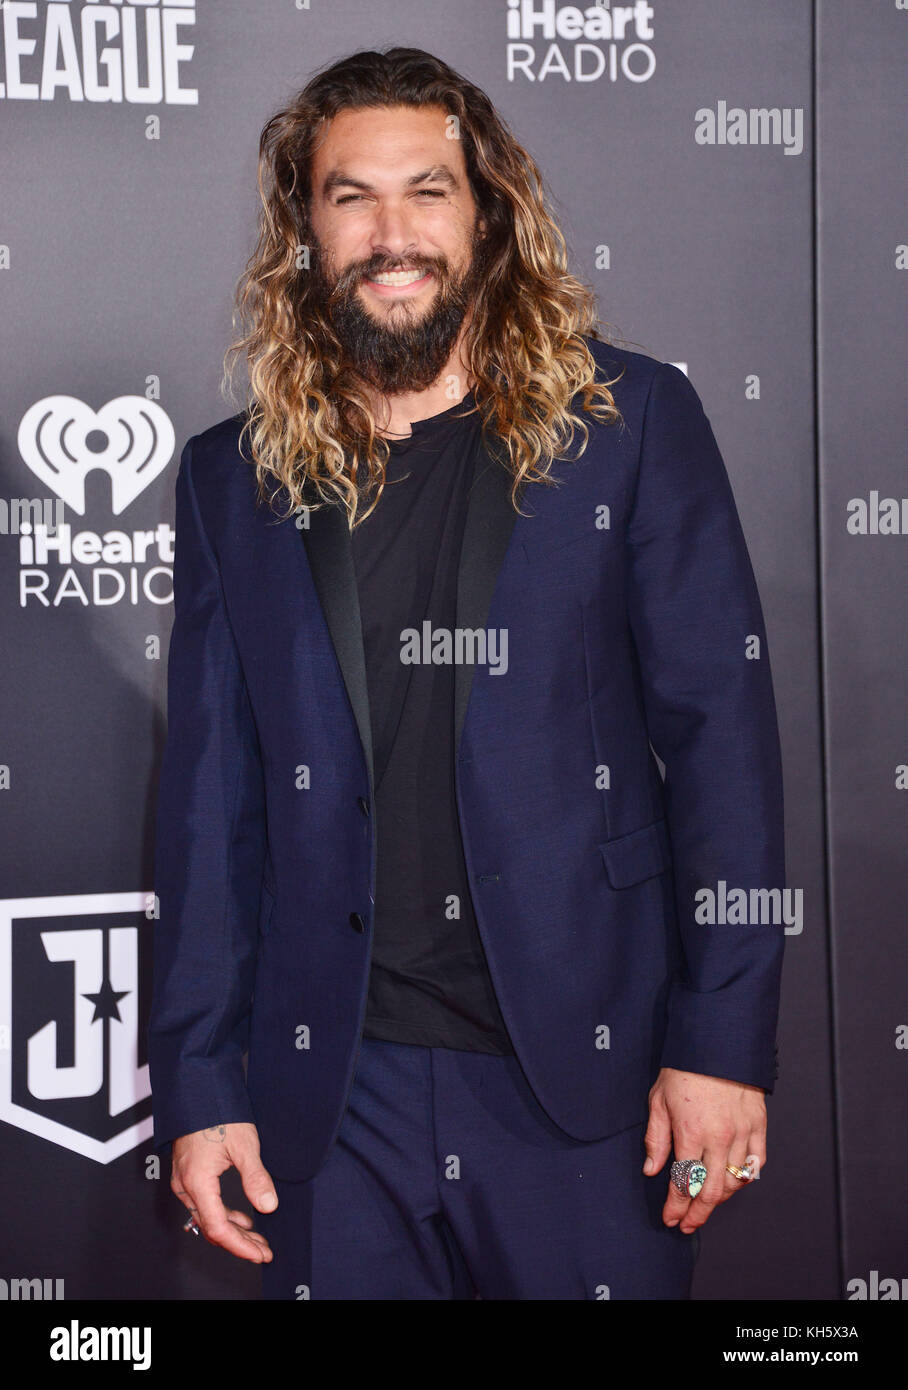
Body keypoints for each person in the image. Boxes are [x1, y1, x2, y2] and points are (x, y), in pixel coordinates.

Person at [148, 47, 785, 1301]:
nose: (392, 235)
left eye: (427, 191)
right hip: (332, 1097)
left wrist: (720, 1038)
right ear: (303, 231)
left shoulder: (625, 422)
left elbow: (722, 739)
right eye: (351, 197)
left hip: (583, 1081)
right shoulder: (235, 476)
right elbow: (210, 803)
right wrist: (201, 1081)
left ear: (487, 213)